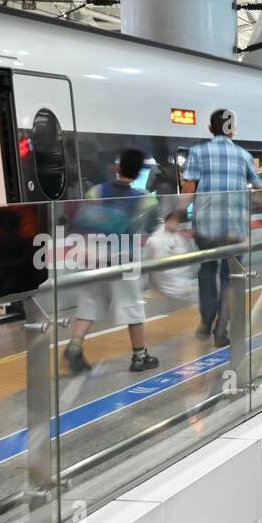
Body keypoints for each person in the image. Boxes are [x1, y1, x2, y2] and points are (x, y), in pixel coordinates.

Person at [64, 147, 160, 374]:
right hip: (123, 259)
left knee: (89, 303)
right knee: (132, 304)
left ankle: (75, 346)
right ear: (138, 174)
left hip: (91, 254)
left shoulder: (96, 191)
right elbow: (150, 229)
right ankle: (139, 356)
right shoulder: (145, 200)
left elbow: (79, 219)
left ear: (117, 168)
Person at [180, 108, 262, 347]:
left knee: (206, 272)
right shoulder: (244, 156)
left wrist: (174, 216)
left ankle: (206, 320)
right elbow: (261, 192)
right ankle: (221, 331)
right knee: (230, 280)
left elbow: (189, 189)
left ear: (210, 129)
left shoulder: (197, 152)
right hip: (235, 230)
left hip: (206, 229)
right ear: (233, 130)